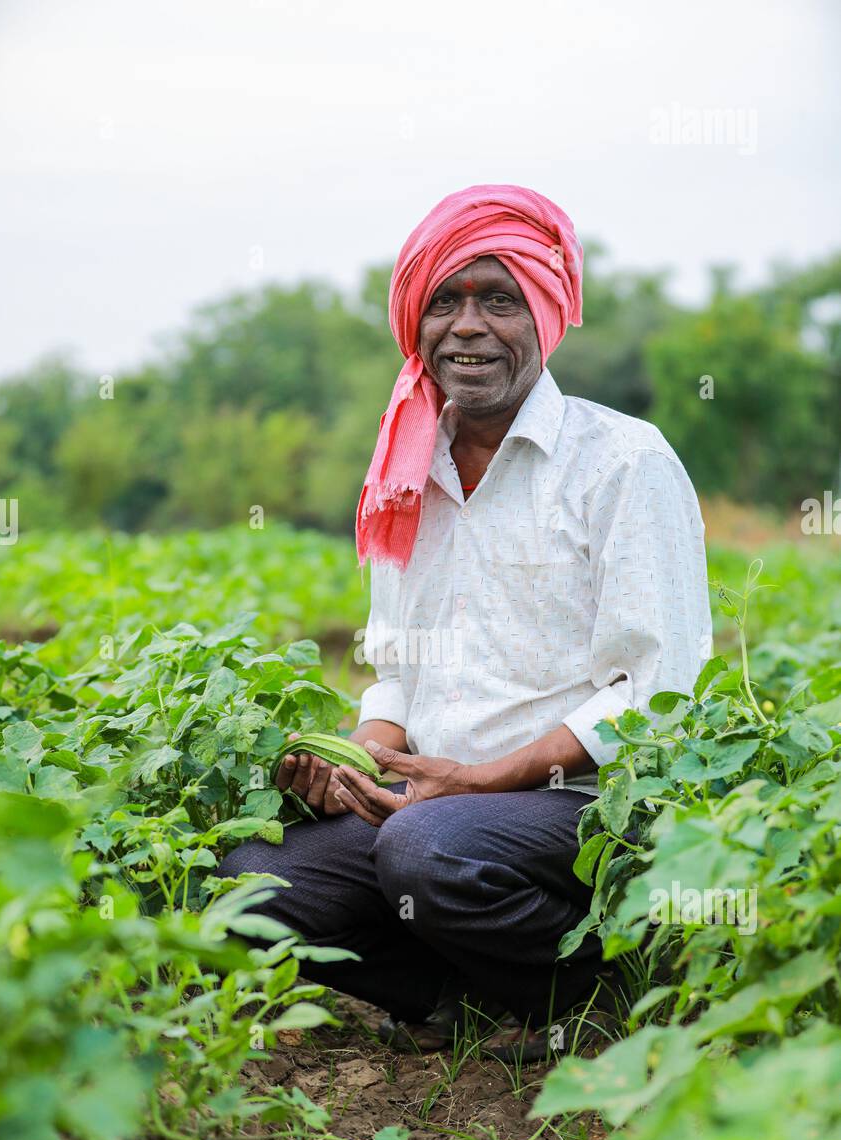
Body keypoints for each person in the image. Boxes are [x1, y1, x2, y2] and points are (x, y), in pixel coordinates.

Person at [219, 184, 712, 1060]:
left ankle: (592, 998)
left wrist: (485, 781)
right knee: (248, 884)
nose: (468, 325)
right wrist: (364, 751)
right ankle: (463, 997)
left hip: (585, 805)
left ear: (546, 316)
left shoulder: (624, 462)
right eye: (445, 300)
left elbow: (658, 687)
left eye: (498, 298)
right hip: (436, 803)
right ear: (417, 323)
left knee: (424, 851)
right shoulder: (406, 471)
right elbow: (397, 667)